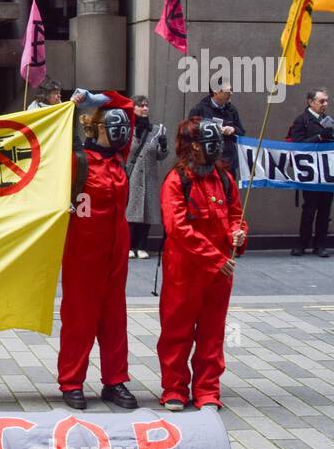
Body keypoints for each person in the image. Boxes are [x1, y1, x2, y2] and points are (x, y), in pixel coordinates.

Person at [157, 118, 247, 413]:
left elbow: (236, 213)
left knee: (212, 332)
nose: (217, 147)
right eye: (210, 142)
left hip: (220, 273)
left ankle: (207, 390)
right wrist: (215, 258)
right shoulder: (176, 181)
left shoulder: (224, 179)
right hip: (185, 271)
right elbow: (178, 229)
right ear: (194, 146)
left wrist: (239, 233)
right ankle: (174, 388)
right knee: (177, 332)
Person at [57, 90, 139, 410]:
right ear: (97, 128)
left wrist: (101, 97)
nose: (122, 128)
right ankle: (71, 381)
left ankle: (115, 381)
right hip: (82, 253)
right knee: (80, 318)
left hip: (116, 253)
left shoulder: (119, 155)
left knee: (115, 319)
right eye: (111, 124)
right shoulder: (76, 162)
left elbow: (127, 108)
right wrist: (73, 107)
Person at [287, 88, 334, 258]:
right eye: (321, 101)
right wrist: (319, 137)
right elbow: (298, 145)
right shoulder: (301, 120)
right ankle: (302, 244)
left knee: (325, 210)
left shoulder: (328, 120)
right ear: (311, 102)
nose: (325, 104)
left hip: (327, 171)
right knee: (309, 210)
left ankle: (320, 245)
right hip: (310, 172)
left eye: (326, 101)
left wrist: (333, 136)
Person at [125, 94, 169, 258]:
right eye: (140, 105)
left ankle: (141, 246)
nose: (144, 108)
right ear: (133, 108)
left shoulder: (157, 130)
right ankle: (129, 246)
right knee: (130, 213)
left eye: (146, 105)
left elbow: (161, 156)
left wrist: (163, 147)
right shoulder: (129, 129)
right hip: (132, 176)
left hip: (149, 177)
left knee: (147, 213)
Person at [187, 83, 245, 169]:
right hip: (207, 163)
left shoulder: (232, 110)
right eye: (227, 91)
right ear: (216, 92)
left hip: (228, 163)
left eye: (231, 90)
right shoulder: (199, 109)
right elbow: (189, 134)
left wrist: (233, 130)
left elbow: (241, 132)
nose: (231, 93)